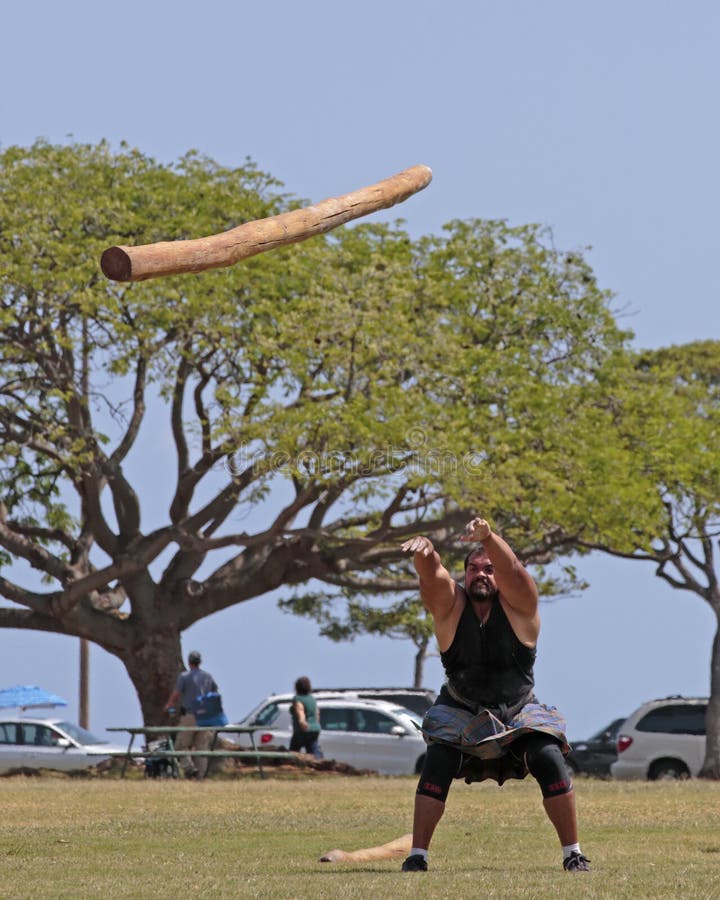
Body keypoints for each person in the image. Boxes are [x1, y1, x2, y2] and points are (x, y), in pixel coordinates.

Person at [398, 516, 590, 874]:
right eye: (473, 569)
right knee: (437, 761)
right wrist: (425, 551)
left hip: (518, 711)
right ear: (465, 574)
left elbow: (513, 568)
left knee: (548, 756)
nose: (480, 574)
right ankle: (417, 856)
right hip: (460, 709)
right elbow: (432, 576)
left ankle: (573, 854)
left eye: (488, 568)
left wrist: (488, 538)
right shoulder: (450, 607)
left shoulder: (521, 607)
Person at [164, 650, 221, 779]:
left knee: (180, 746)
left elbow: (176, 694)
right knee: (201, 748)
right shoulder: (208, 677)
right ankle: (200, 778)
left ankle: (189, 768)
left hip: (190, 715)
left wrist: (169, 705)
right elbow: (215, 693)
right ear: (200, 662)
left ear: (189, 663)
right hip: (206, 716)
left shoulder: (184, 677)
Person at [289, 676, 323, 759]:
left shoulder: (297, 698)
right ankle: (319, 761)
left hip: (302, 730)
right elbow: (317, 713)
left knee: (294, 750)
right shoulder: (312, 699)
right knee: (313, 748)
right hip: (315, 729)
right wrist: (315, 724)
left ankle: (293, 765)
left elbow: (300, 710)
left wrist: (302, 721)